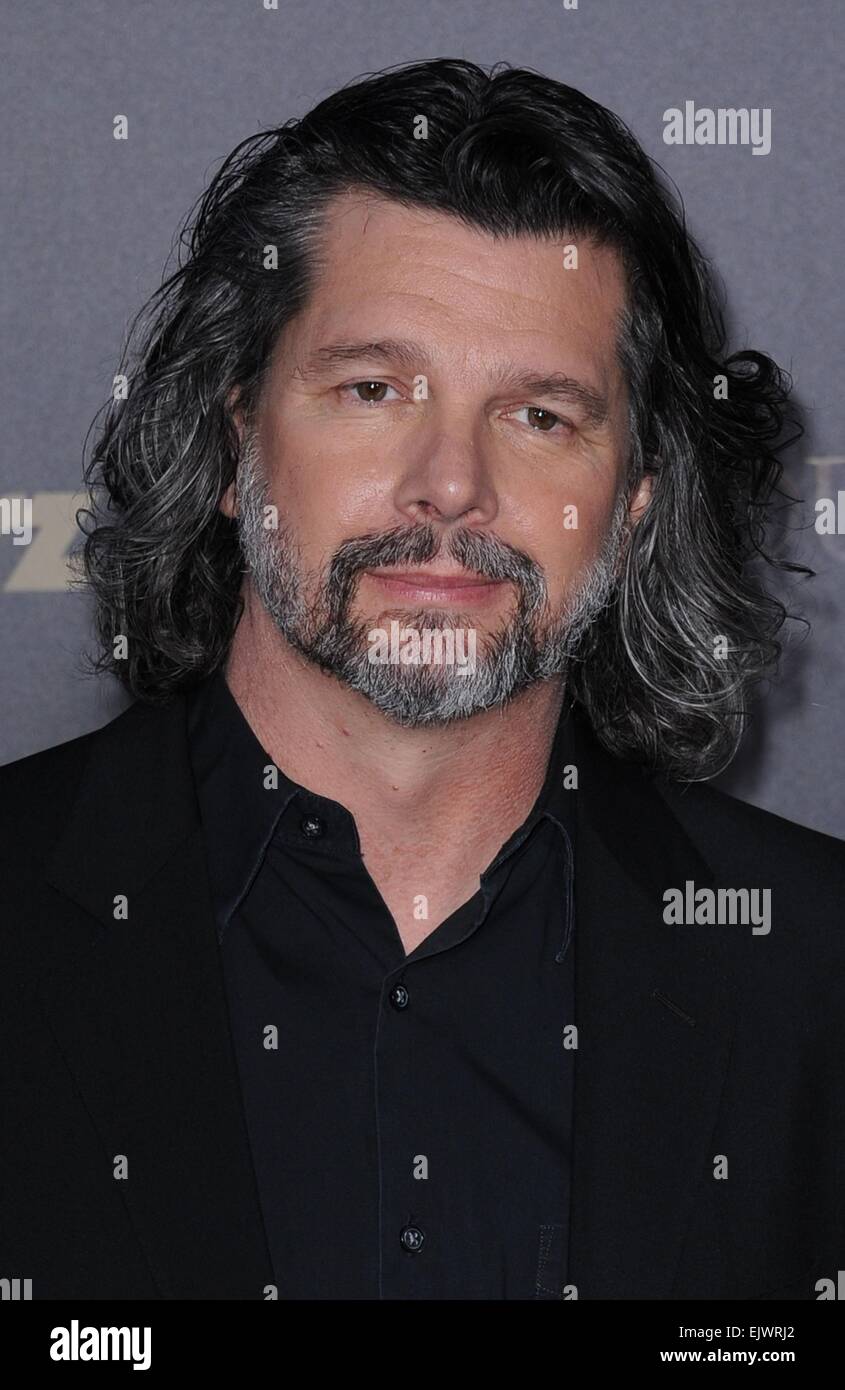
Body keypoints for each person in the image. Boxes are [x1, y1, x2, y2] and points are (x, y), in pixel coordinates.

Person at [1, 58, 842, 1302]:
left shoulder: (813, 975)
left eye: (540, 415)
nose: (449, 483)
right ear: (234, 442)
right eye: (373, 389)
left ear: (633, 504)